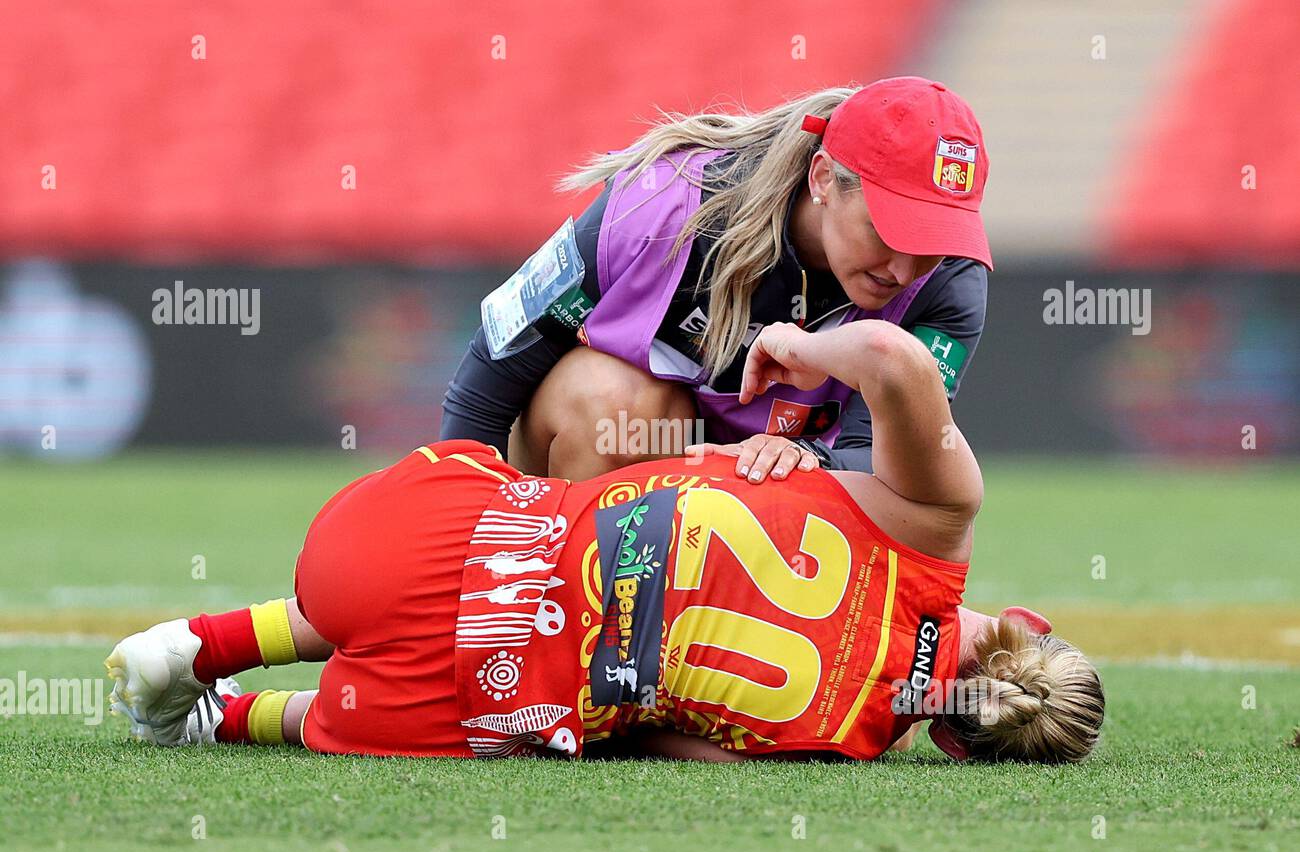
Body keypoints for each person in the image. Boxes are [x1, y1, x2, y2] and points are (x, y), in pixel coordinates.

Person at [105, 317, 1103, 763]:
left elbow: (890, 355)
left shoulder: (934, 528)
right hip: (430, 705)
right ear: (953, 738)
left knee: (429, 564)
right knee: (449, 695)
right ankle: (225, 719)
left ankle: (206, 641)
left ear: (1026, 622)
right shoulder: (841, 747)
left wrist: (795, 354)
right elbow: (658, 741)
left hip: (393, 535)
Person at [441, 76, 992, 485]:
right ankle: (580, 608)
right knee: (611, 403)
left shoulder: (951, 283)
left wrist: (809, 460)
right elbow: (489, 379)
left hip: (787, 490)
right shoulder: (662, 208)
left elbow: (892, 460)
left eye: (931, 242)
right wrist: (457, 556)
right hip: (652, 455)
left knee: (938, 498)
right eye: (887, 230)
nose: (903, 270)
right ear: (823, 178)